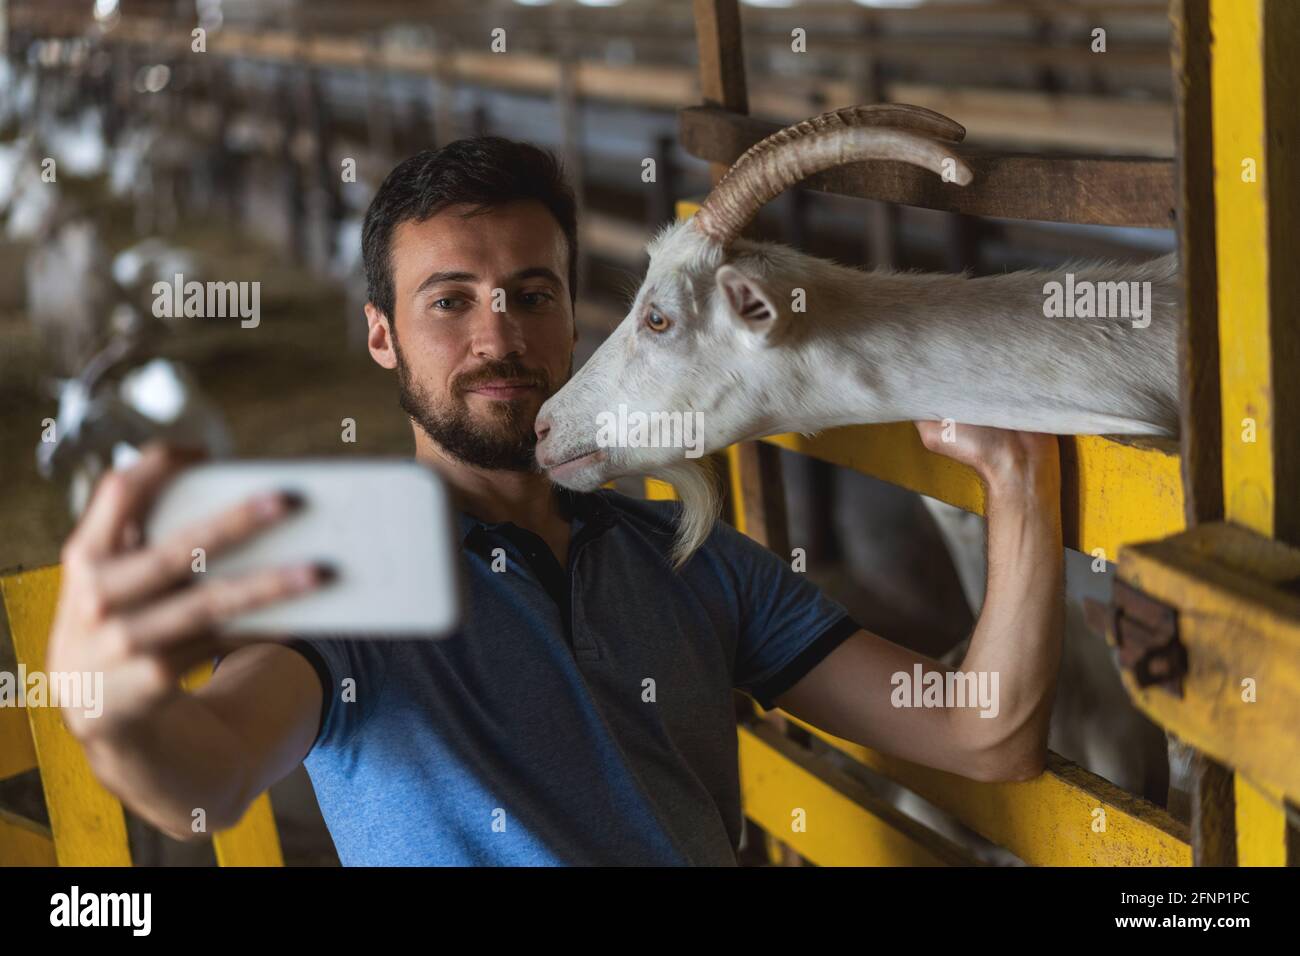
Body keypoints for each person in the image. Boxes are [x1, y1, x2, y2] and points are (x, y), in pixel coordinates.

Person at [47, 137, 1064, 865]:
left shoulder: (687, 550)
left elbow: (982, 733)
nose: (499, 337)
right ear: (380, 337)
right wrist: (118, 711)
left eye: (531, 294)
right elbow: (206, 776)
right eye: (449, 301)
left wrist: (1017, 492)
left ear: (575, 319)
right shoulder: (343, 566)